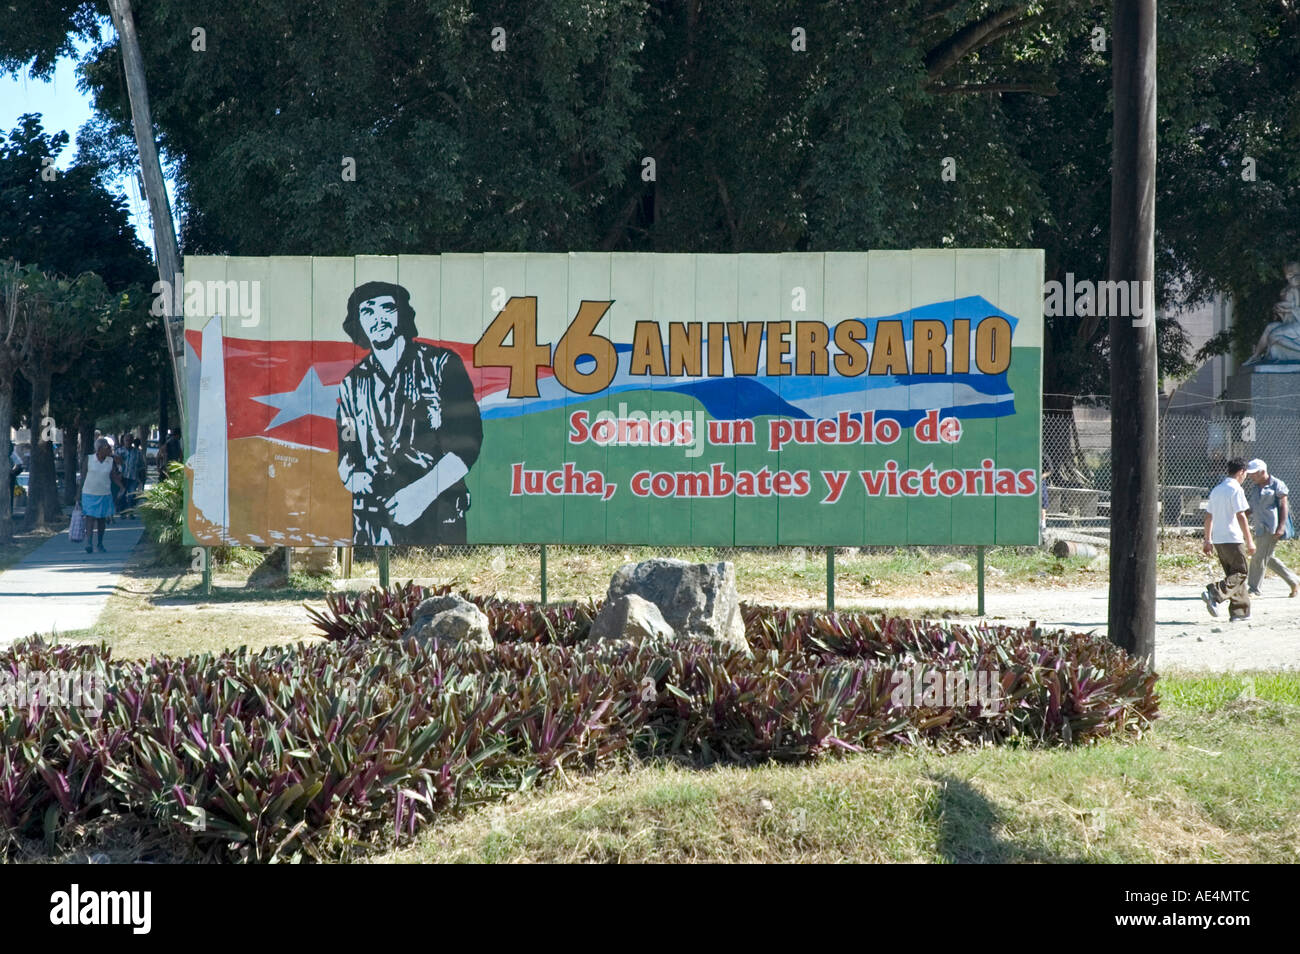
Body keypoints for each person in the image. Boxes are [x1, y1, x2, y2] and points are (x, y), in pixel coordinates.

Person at [336, 281, 483, 545]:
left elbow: (467, 443)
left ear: (401, 314)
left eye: (387, 308)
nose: (377, 319)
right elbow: (347, 438)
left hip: (438, 510)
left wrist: (421, 493)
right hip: (373, 519)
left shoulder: (441, 364)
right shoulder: (352, 383)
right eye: (367, 311)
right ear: (357, 322)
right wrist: (352, 474)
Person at [1201, 457, 1257, 621]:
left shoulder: (1216, 490)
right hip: (1233, 538)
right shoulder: (1236, 490)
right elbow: (1241, 516)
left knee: (1233, 575)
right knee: (1240, 572)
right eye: (1245, 473)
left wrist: (1207, 539)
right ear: (1241, 472)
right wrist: (1250, 540)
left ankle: (1240, 612)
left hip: (1218, 539)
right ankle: (1214, 593)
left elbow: (1208, 517)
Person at [1244, 458, 1299, 597]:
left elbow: (1283, 506)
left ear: (1262, 472)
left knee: (1258, 557)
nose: (1250, 476)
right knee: (1268, 557)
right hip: (1260, 527)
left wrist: (1281, 527)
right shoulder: (1256, 487)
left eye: (1253, 473)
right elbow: (1254, 506)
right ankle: (1293, 581)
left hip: (1271, 527)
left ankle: (1253, 589)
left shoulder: (1277, 485)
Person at [77, 437, 124, 554]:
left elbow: (113, 476)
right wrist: (78, 494)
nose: (110, 450)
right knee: (90, 518)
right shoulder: (89, 459)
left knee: (102, 520)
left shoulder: (110, 461)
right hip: (89, 493)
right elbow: (82, 477)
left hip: (104, 494)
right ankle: (89, 542)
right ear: (100, 448)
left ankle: (100, 543)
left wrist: (122, 487)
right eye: (107, 447)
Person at [120, 438, 142, 516]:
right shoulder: (119, 451)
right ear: (124, 441)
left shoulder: (137, 452)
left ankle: (130, 512)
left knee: (132, 495)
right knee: (122, 495)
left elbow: (141, 465)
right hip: (122, 477)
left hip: (133, 477)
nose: (128, 442)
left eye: (130, 440)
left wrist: (141, 478)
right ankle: (122, 512)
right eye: (127, 440)